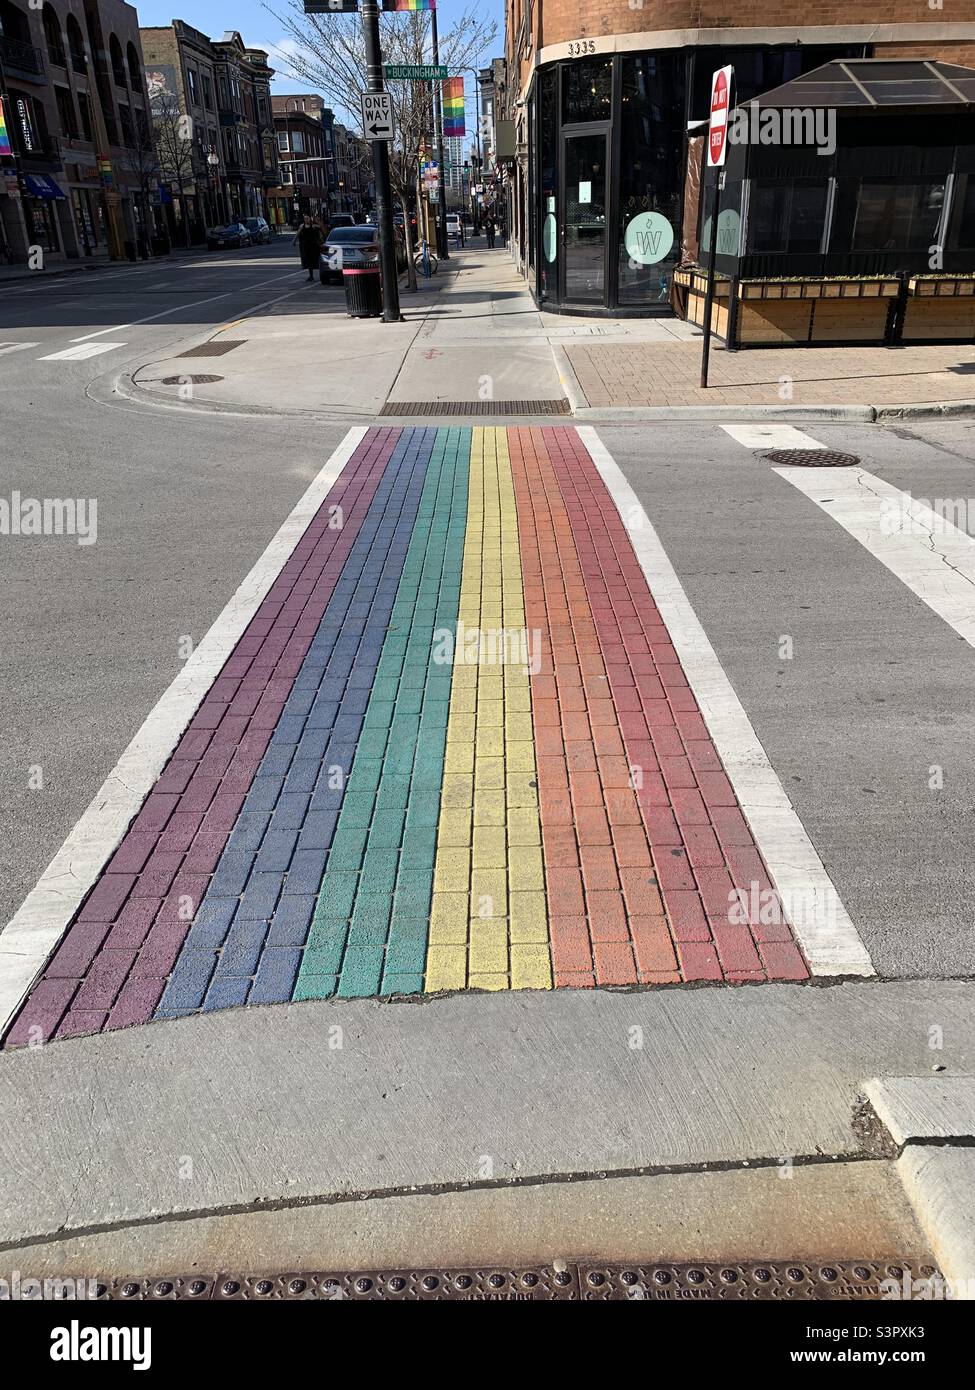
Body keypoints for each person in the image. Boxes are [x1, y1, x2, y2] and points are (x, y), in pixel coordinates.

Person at [294, 214, 322, 282]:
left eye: (307, 218)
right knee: (309, 262)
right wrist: (294, 241)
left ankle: (321, 275)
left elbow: (320, 229)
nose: (306, 220)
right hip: (306, 246)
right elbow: (298, 234)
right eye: (305, 218)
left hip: (314, 246)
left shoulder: (314, 226)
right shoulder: (302, 226)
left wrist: (317, 222)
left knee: (317, 261)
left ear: (310, 219)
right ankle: (311, 276)